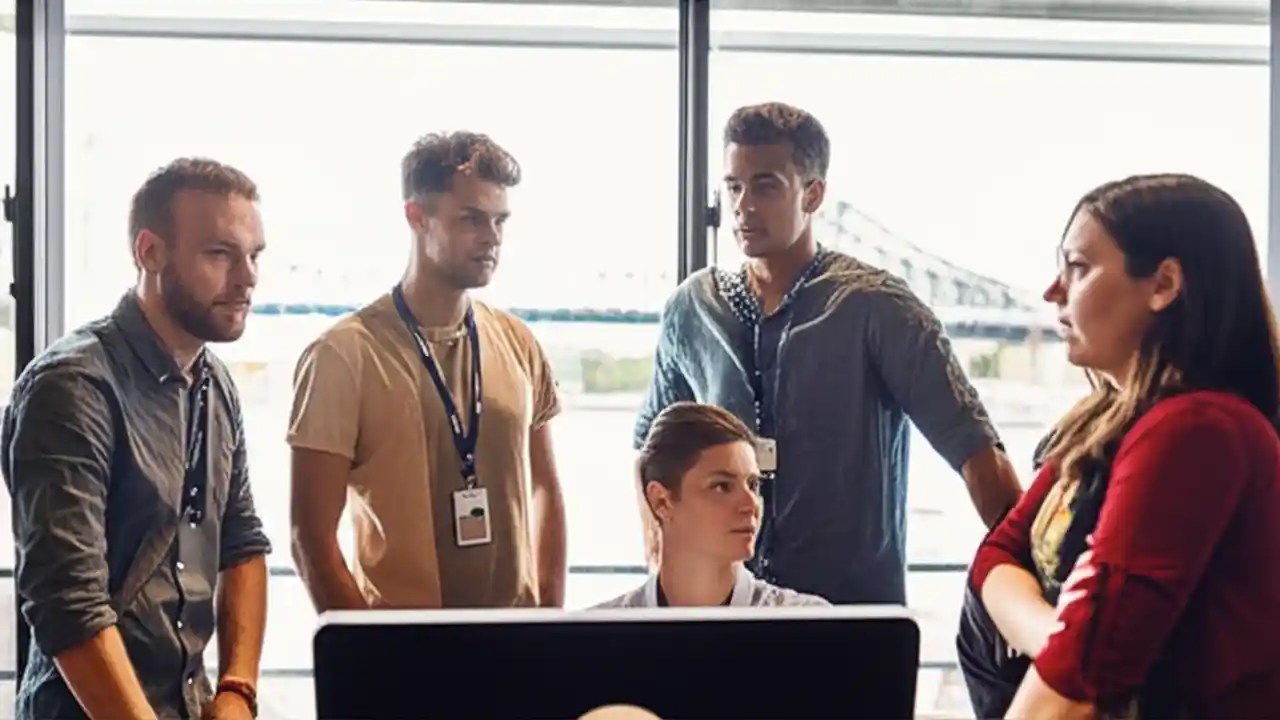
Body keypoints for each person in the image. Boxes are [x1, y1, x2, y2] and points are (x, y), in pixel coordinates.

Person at [635, 101, 1022, 605]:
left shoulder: (878, 307)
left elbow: (976, 451)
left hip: (849, 615)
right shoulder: (693, 308)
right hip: (720, 615)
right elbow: (650, 450)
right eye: (733, 186)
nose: (743, 205)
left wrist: (1025, 588)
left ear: (812, 193)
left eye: (766, 185)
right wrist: (661, 571)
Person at [967, 174, 1280, 718]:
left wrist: (1071, 650)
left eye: (1079, 267)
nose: (1052, 292)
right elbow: (995, 556)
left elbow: (1081, 683)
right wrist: (1064, 639)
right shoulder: (1104, 421)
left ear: (1164, 284)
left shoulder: (1198, 430)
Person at [2, 158, 273, 719]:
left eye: (254, 255)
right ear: (150, 252)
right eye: (220, 254)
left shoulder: (215, 383)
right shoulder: (73, 386)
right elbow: (68, 603)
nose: (247, 278)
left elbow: (242, 544)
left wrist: (237, 689)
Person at [288, 131, 567, 611]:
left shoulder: (518, 342)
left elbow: (546, 488)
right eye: (471, 219)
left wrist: (548, 620)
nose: (492, 237)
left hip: (518, 648)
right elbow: (309, 537)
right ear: (417, 217)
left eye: (500, 220)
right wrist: (367, 652)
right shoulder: (342, 354)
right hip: (400, 650)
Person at [599, 402, 827, 608]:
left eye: (753, 485)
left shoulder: (810, 626)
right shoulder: (597, 636)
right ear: (662, 501)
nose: (750, 504)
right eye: (722, 486)